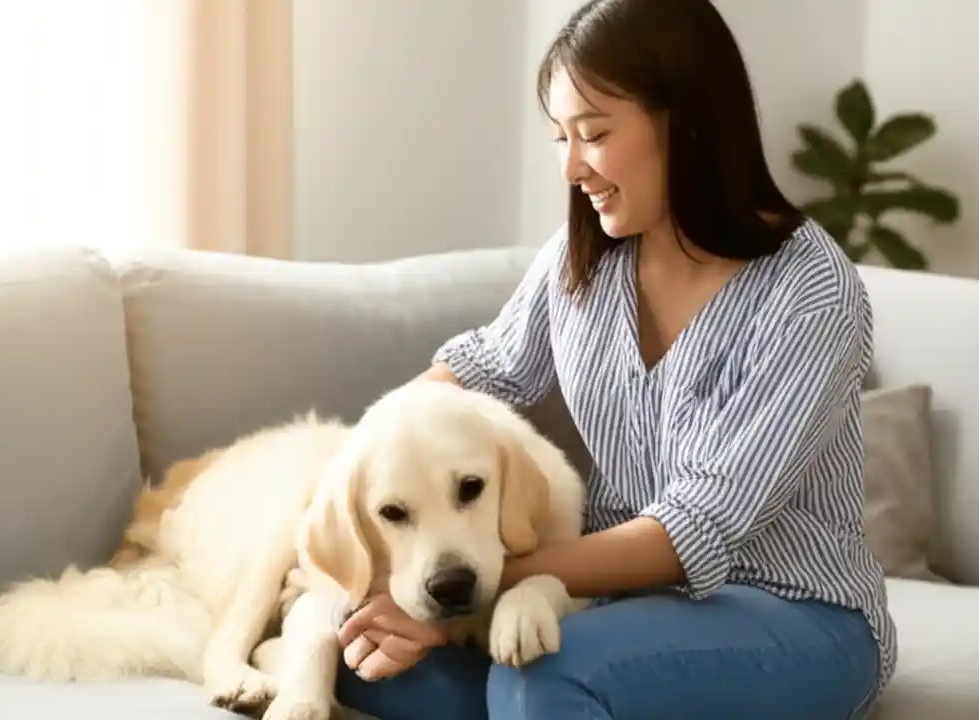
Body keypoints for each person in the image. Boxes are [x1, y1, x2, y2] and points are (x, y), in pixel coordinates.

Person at [333, 0, 895, 717]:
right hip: (612, 605)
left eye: (593, 135)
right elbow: (480, 372)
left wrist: (476, 587)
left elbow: (699, 523)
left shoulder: (810, 290)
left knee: (543, 676)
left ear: (686, 120)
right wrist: (346, 483)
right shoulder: (581, 261)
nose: (572, 168)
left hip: (796, 612)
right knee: (353, 646)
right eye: (561, 138)